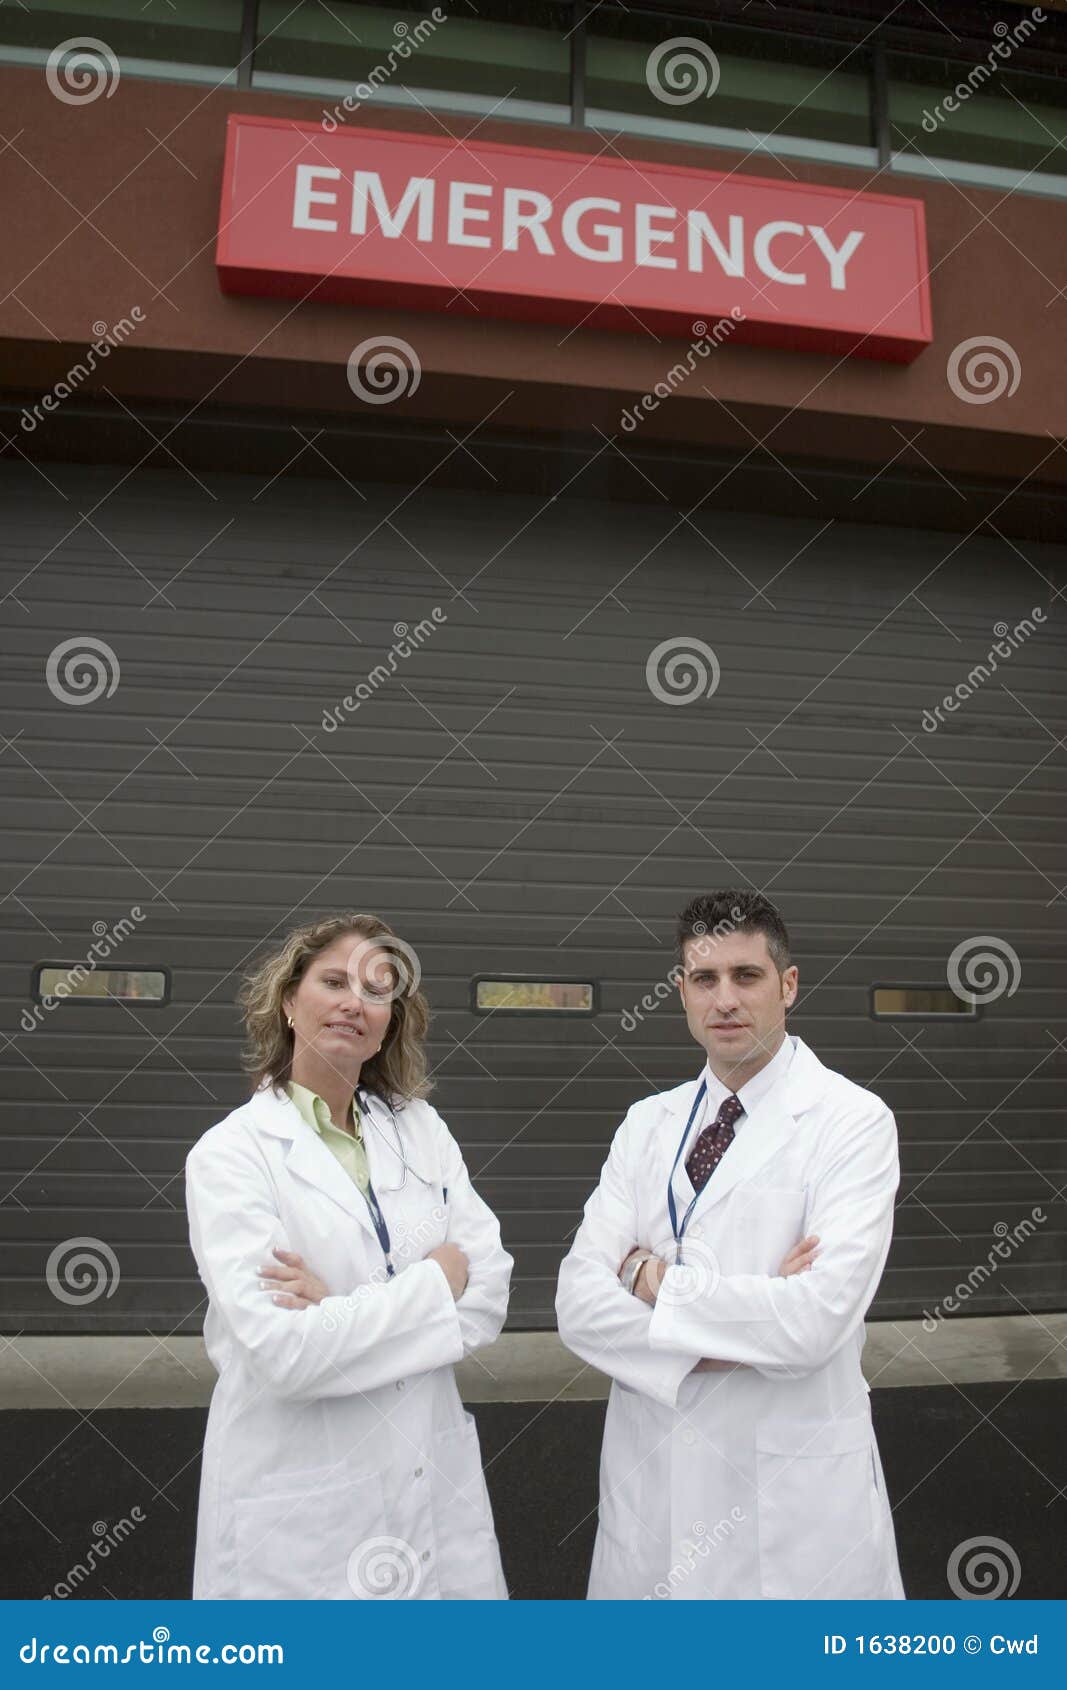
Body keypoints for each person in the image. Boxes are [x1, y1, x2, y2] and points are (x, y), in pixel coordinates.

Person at [556, 889, 904, 1601]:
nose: (725, 1000)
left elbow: (813, 1324)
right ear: (681, 990)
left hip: (789, 1505)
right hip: (654, 1485)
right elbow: (577, 1307)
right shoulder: (644, 1125)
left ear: (788, 985)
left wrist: (648, 1278)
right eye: (703, 979)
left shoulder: (851, 1122)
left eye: (745, 976)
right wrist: (751, 1320)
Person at [185, 912, 512, 1600]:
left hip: (429, 1478)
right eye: (332, 981)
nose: (351, 1003)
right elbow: (285, 1355)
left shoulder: (421, 1129)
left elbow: (488, 1295)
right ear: (288, 1000)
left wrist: (337, 1311)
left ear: (391, 1019)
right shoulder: (232, 1155)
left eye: (375, 990)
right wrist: (433, 1281)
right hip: (303, 1508)